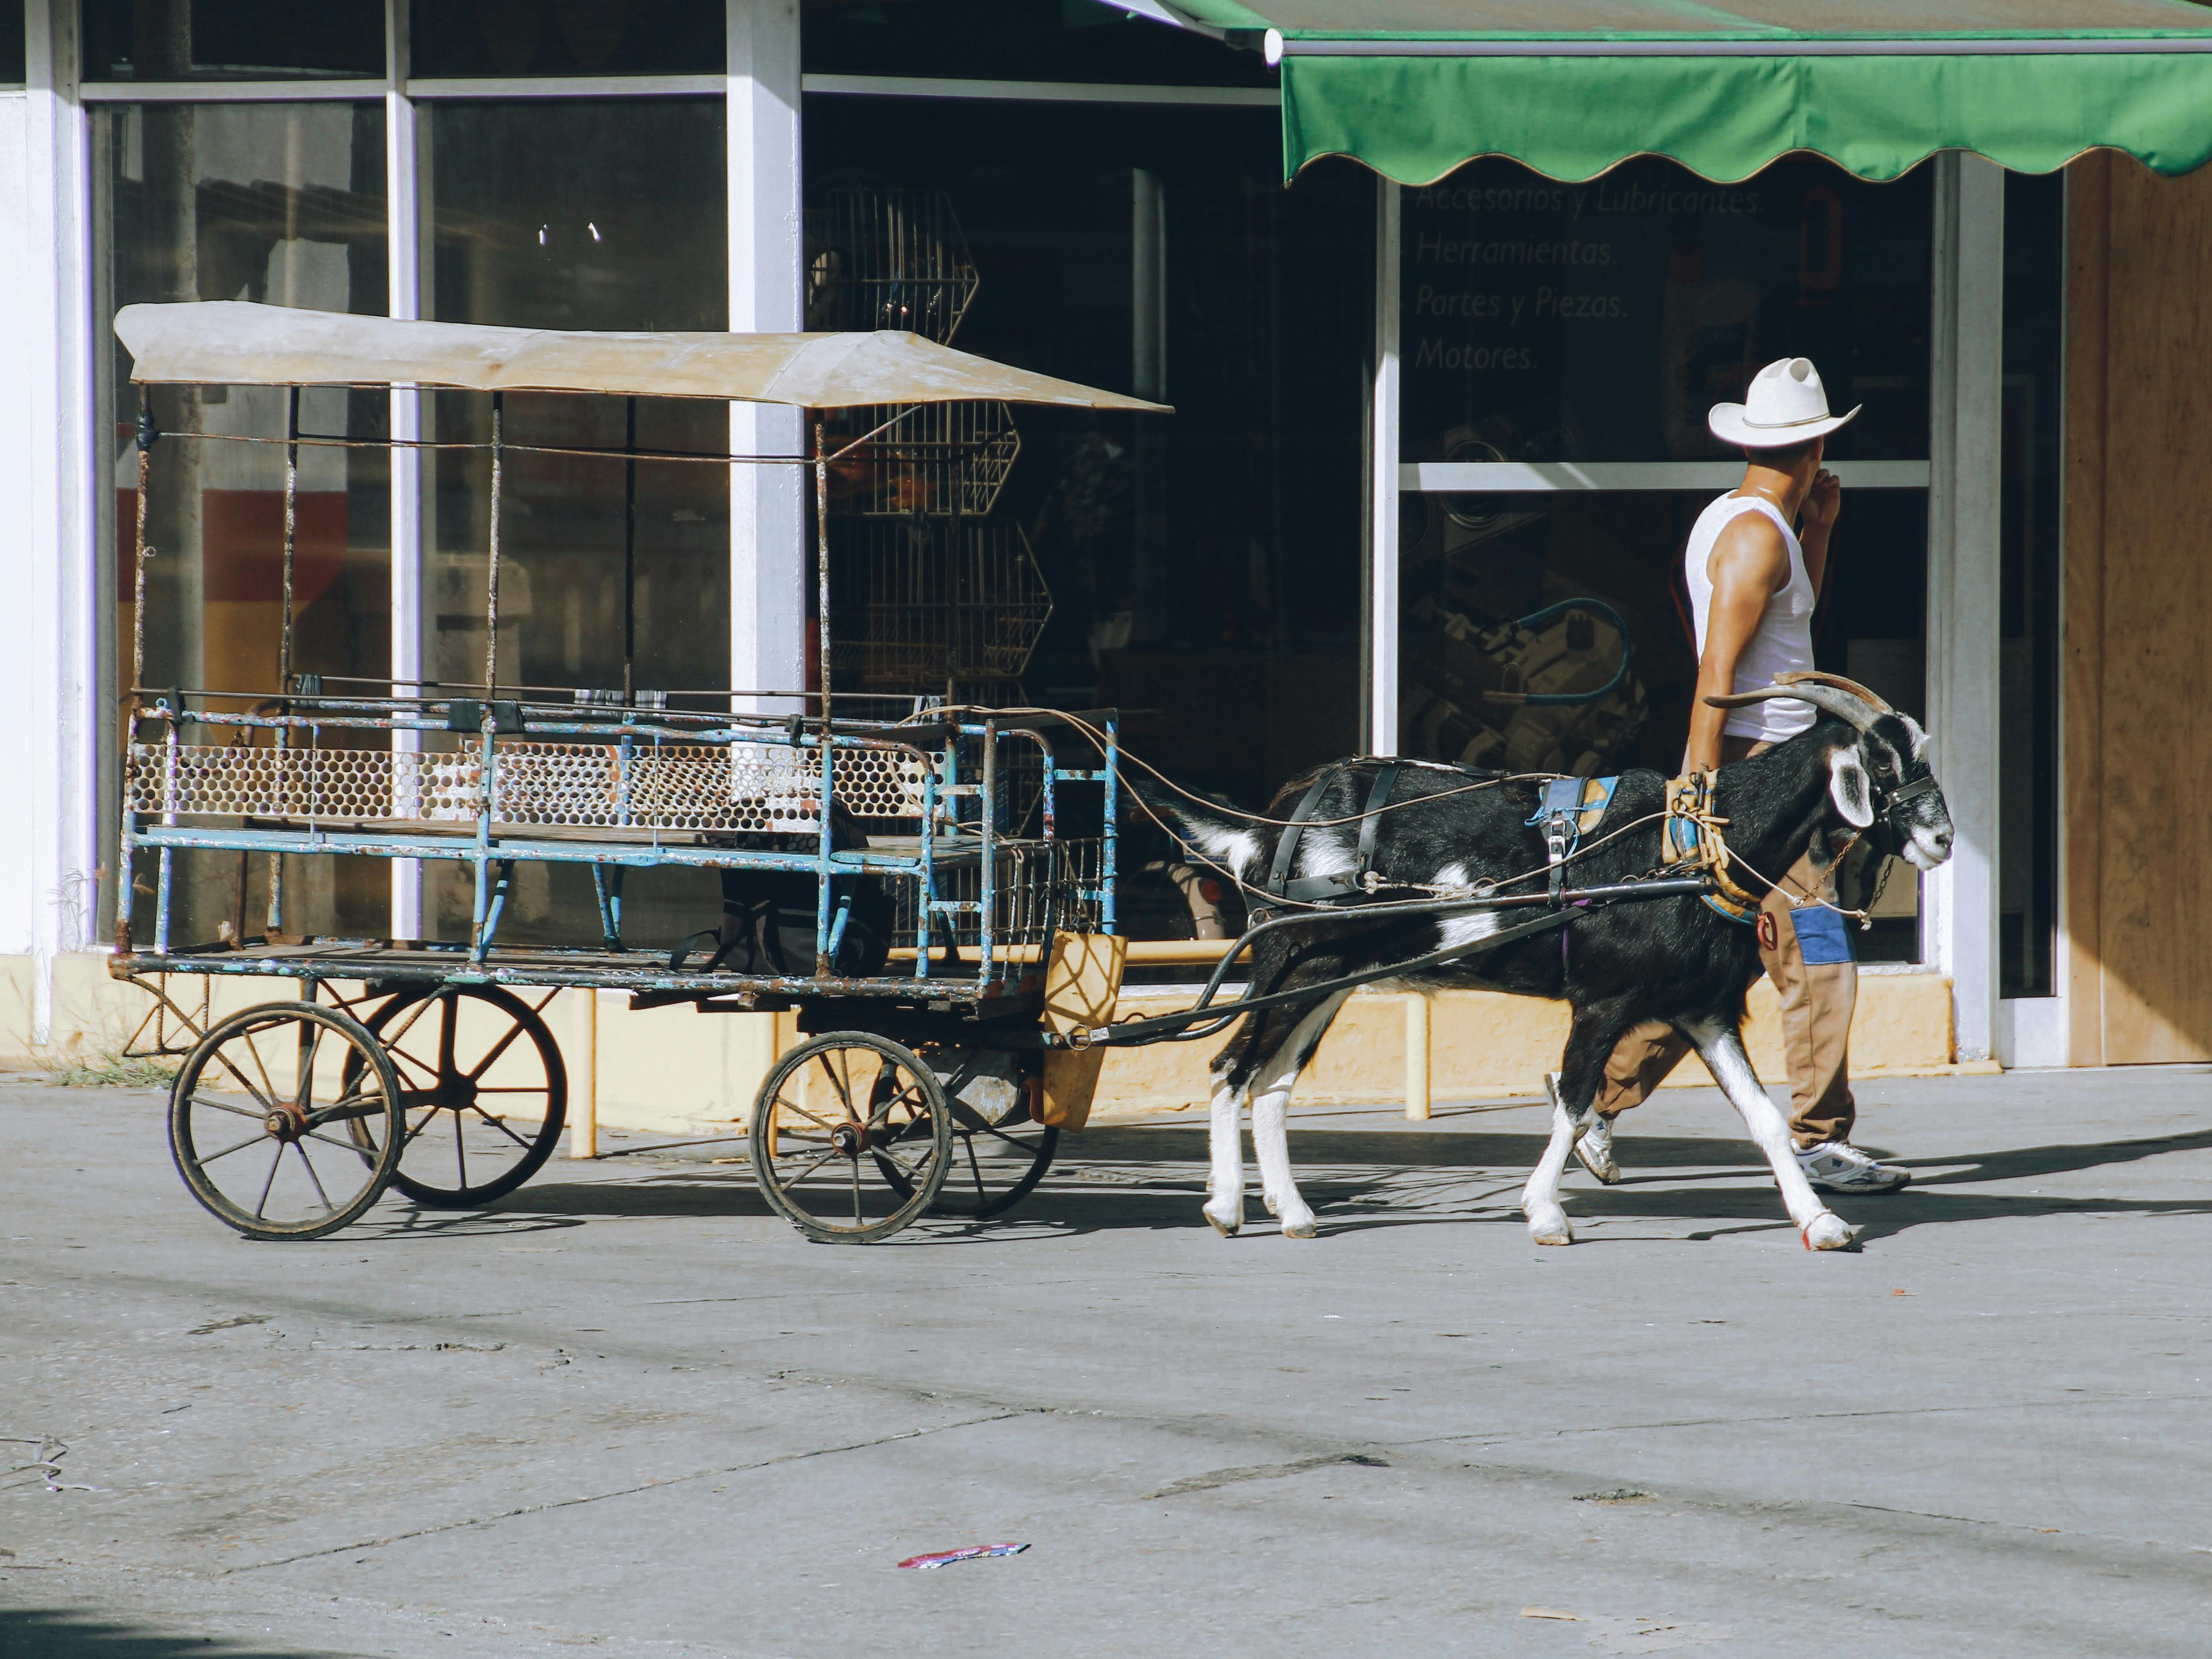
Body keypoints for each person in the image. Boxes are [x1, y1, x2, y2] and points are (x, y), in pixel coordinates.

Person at [1567, 357, 1908, 1196]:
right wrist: (1697, 790)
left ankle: (1592, 1105)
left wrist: (1820, 530)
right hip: (1766, 776)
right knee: (1819, 957)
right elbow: (1717, 672)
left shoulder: (1751, 521)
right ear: (1821, 438)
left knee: (1716, 968)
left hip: (1773, 772)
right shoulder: (1755, 535)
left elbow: (1785, 637)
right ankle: (1819, 1140)